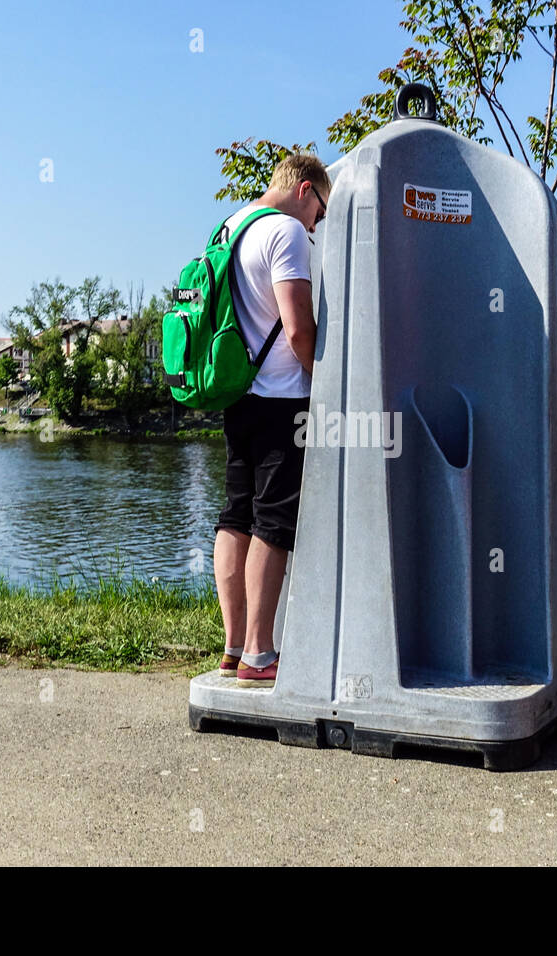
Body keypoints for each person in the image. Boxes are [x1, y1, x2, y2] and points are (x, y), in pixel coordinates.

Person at [213, 154, 330, 688]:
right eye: (320, 212)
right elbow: (298, 327)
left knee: (235, 515)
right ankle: (261, 656)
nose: (317, 224)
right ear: (305, 190)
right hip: (283, 399)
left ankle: (233, 646)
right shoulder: (285, 231)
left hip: (237, 394)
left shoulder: (230, 226)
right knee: (273, 522)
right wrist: (325, 389)